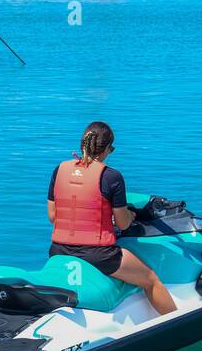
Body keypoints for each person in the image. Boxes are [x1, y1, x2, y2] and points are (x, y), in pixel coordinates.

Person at [47, 121, 177, 315]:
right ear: (107, 148)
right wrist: (131, 215)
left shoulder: (60, 170)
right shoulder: (111, 176)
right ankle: (174, 322)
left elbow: (53, 216)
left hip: (59, 251)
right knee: (150, 280)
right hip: (98, 255)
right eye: (111, 148)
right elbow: (123, 223)